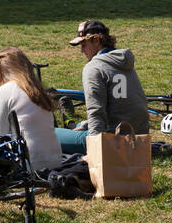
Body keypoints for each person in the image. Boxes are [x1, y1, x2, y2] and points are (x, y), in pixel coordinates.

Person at [55, 20, 150, 153]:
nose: (81, 51)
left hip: (113, 142)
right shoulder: (123, 61)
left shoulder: (94, 67)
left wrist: (95, 152)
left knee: (46, 134)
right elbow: (119, 107)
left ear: (97, 40)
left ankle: (70, 125)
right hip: (139, 138)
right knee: (79, 126)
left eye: (83, 44)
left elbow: (96, 112)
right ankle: (71, 124)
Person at [0, 47, 63, 173]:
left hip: (27, 166)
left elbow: (0, 140)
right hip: (56, 161)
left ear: (4, 70)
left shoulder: (3, 92)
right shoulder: (38, 90)